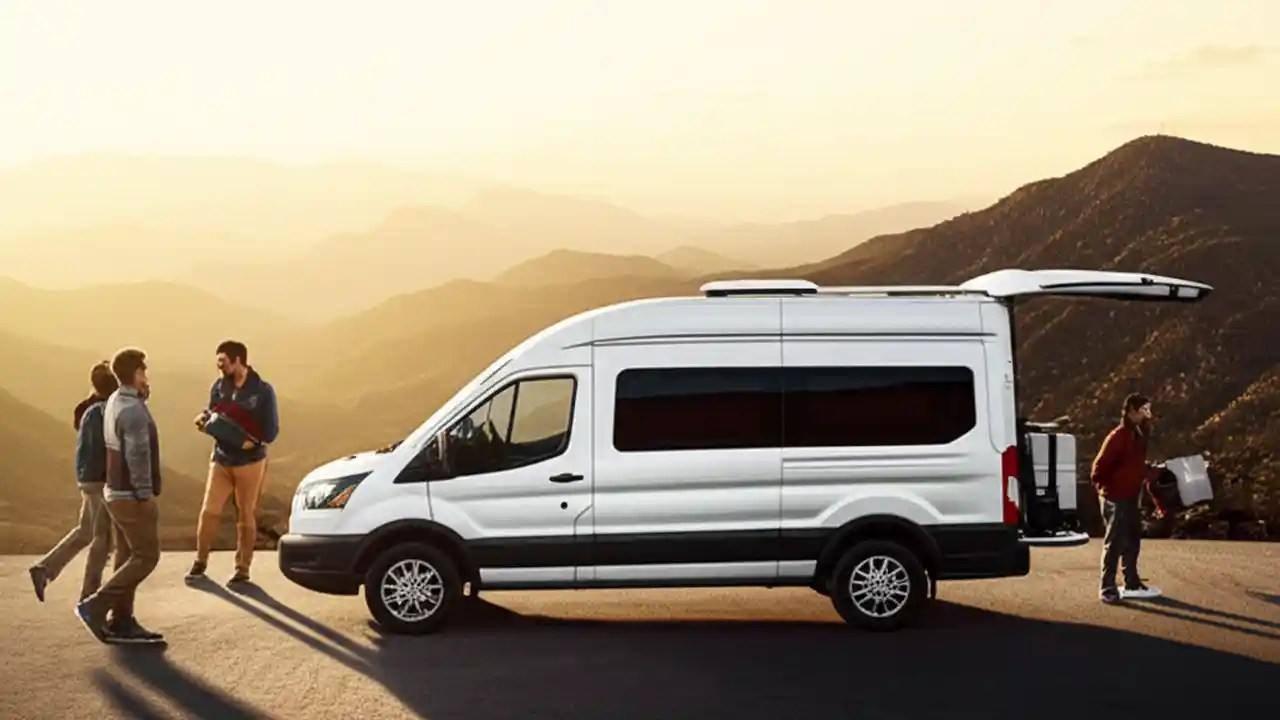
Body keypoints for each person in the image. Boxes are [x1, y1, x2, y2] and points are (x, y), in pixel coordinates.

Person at [75, 347, 165, 644]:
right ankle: (96, 606)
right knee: (147, 556)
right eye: (144, 372)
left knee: (127, 554)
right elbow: (137, 456)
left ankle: (122, 620)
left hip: (113, 493)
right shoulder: (134, 411)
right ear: (137, 374)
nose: (146, 377)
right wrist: (145, 495)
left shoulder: (114, 401)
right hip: (130, 495)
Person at [187, 340, 279, 586]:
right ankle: (200, 560)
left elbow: (270, 431)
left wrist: (251, 441)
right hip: (221, 458)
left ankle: (242, 569)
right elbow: (212, 412)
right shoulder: (218, 387)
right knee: (209, 511)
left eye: (223, 362)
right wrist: (204, 419)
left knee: (245, 514)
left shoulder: (262, 391)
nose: (220, 368)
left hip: (250, 462)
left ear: (238, 361)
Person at [28, 362, 119, 603]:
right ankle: (90, 596)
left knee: (85, 531)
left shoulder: (87, 408)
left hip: (86, 478)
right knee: (103, 538)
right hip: (101, 480)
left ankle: (44, 569)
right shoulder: (105, 410)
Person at [1091, 393, 1162, 604]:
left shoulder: (1139, 435)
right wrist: (1110, 490)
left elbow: (1134, 465)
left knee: (1133, 539)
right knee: (1114, 542)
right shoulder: (1119, 436)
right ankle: (1107, 588)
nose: (1149, 414)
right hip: (1116, 497)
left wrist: (1150, 471)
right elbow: (1098, 469)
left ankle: (1131, 581)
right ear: (1132, 411)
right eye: (1145, 410)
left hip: (1131, 495)